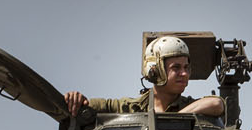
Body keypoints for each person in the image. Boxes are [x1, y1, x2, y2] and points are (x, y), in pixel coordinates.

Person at [64, 35, 225, 118]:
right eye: (176, 68)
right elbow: (89, 105)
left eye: (186, 67)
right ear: (155, 71)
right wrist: (75, 99)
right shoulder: (132, 107)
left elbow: (216, 103)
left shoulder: (188, 105)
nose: (184, 73)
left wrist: (176, 119)